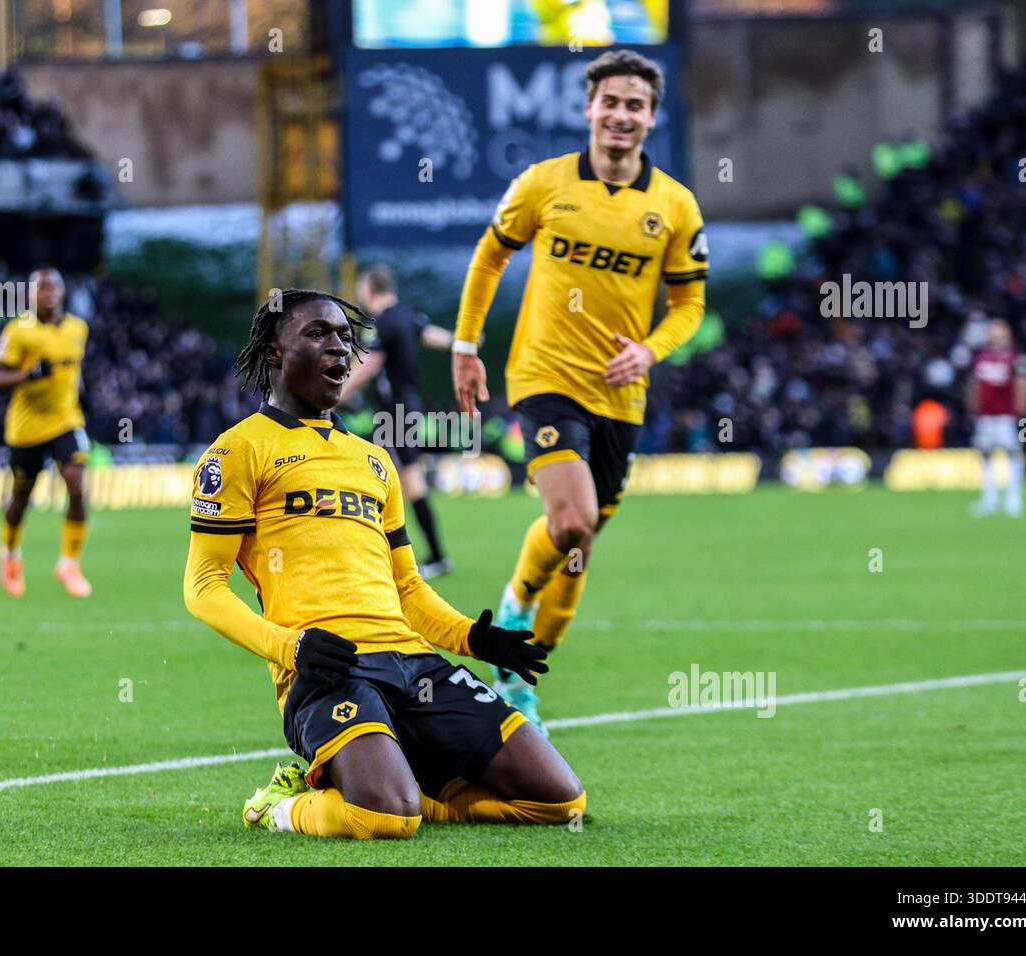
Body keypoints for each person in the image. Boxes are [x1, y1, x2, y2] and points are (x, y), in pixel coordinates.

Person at [182, 289, 585, 839]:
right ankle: (281, 805)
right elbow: (203, 586)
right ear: (274, 352)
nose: (339, 347)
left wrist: (473, 638)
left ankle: (419, 797)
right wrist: (290, 648)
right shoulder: (237, 452)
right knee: (385, 819)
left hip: (412, 663)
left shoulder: (374, 460)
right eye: (317, 334)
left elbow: (407, 588)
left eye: (345, 337)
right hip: (329, 669)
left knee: (561, 802)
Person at [451, 49, 707, 732]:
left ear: (652, 117)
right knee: (571, 521)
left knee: (579, 545)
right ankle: (514, 602)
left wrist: (650, 349)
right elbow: (490, 255)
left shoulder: (675, 205)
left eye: (635, 105)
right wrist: (465, 346)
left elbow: (689, 304)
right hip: (545, 376)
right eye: (611, 101)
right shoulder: (543, 184)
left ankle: (521, 680)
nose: (621, 114)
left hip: (621, 395)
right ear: (589, 108)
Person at [0, 267, 93, 597]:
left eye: (52, 288)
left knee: (76, 483)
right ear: (30, 295)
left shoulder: (78, 328)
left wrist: (83, 399)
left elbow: (74, 372)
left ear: (62, 292)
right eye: (40, 289)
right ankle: (10, 556)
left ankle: (69, 563)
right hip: (27, 427)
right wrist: (29, 374)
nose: (48, 294)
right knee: (21, 496)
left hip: (66, 420)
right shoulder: (18, 331)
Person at [342, 264, 454, 578]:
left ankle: (432, 557)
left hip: (394, 413)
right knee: (392, 479)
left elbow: (369, 365)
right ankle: (408, 554)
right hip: (407, 409)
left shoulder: (380, 322)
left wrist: (334, 394)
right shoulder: (406, 315)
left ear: (369, 288)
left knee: (402, 480)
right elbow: (430, 335)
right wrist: (460, 342)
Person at [968, 319, 1026, 517]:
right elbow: (975, 385)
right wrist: (974, 408)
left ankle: (1014, 499)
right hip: (985, 416)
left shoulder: (1017, 357)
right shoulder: (981, 357)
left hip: (1008, 417)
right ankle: (990, 498)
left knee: (1014, 455)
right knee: (986, 456)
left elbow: (1023, 384)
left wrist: (1022, 412)